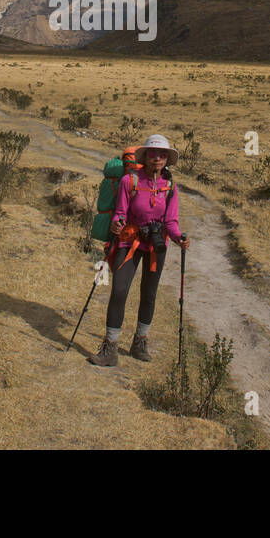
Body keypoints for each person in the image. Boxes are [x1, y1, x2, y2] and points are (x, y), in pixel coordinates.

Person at [87, 134, 190, 366]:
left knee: (150, 294)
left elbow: (171, 221)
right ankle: (109, 349)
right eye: (153, 153)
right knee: (119, 291)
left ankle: (140, 342)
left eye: (162, 154)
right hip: (130, 240)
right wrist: (116, 223)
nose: (157, 158)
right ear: (145, 156)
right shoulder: (130, 181)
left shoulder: (170, 187)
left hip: (156, 245)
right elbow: (120, 212)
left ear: (167, 159)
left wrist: (178, 239)